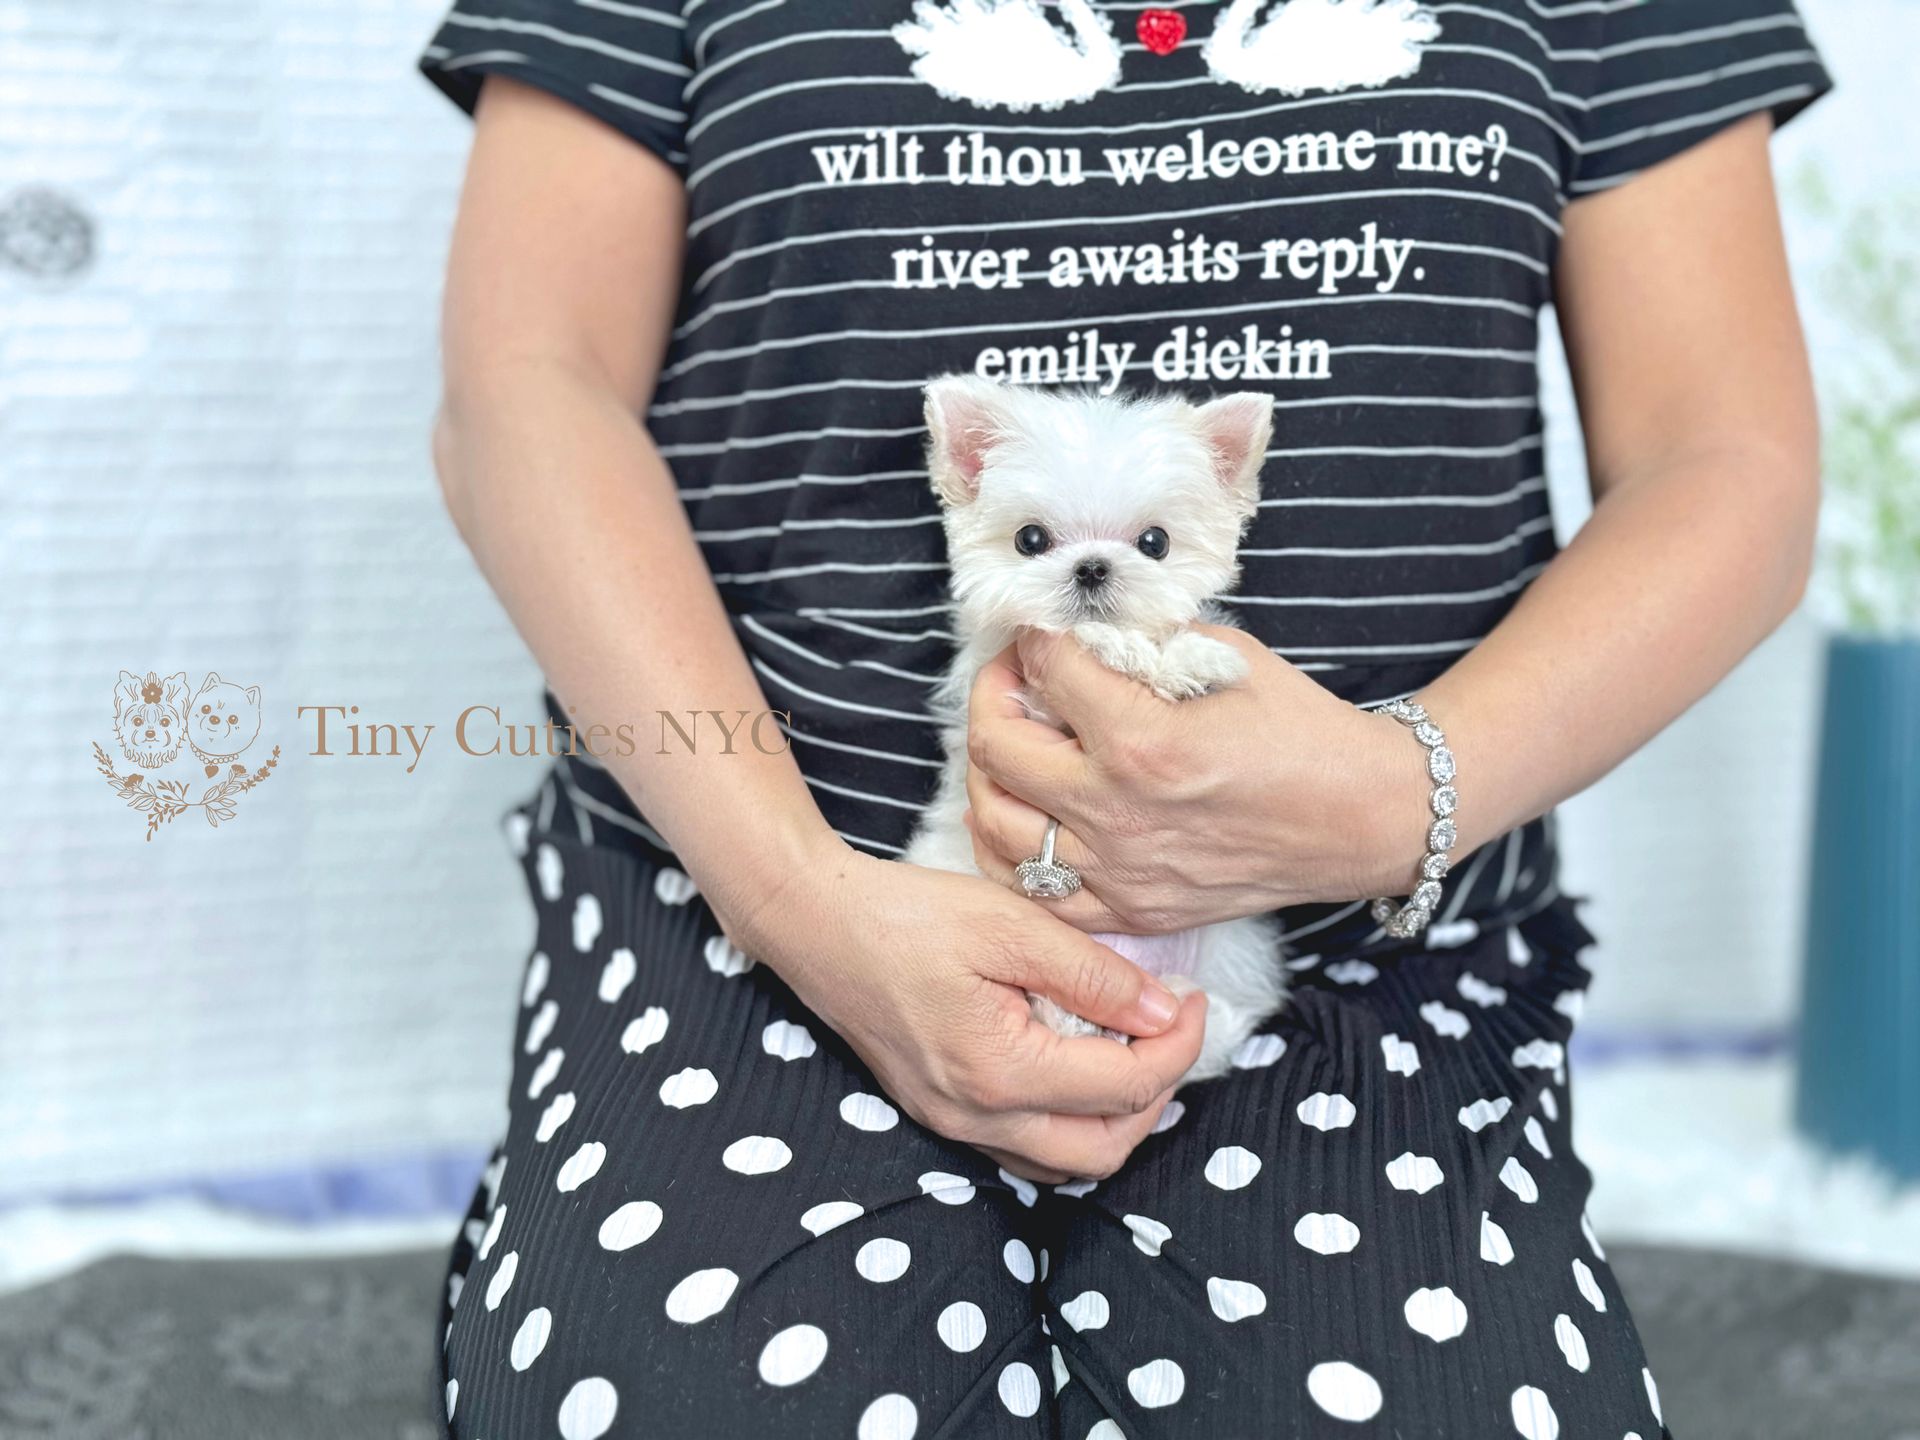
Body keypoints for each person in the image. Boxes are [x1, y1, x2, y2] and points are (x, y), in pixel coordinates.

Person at [418, 2, 1829, 1435]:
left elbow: (1725, 456)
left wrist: (1395, 796)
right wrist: (791, 893)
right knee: (682, 1401)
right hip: (743, 904)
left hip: (1380, 944)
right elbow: (527, 383)